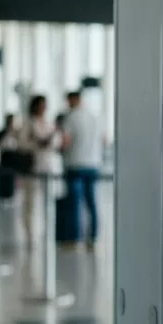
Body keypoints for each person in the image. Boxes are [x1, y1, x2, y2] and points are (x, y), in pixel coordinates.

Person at [60, 91, 103, 250]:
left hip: (75, 164)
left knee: (75, 203)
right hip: (93, 164)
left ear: (73, 100)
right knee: (92, 202)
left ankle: (74, 238)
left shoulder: (70, 117)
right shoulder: (95, 117)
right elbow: (103, 139)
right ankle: (93, 237)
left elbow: (65, 141)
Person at [17, 95, 60, 246]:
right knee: (31, 202)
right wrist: (37, 144)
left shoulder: (49, 123)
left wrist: (48, 142)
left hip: (48, 166)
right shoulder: (28, 123)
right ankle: (30, 235)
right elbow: (22, 144)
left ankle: (48, 233)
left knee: (49, 201)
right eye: (40, 105)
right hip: (33, 166)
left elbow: (56, 142)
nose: (43, 108)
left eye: (44, 105)